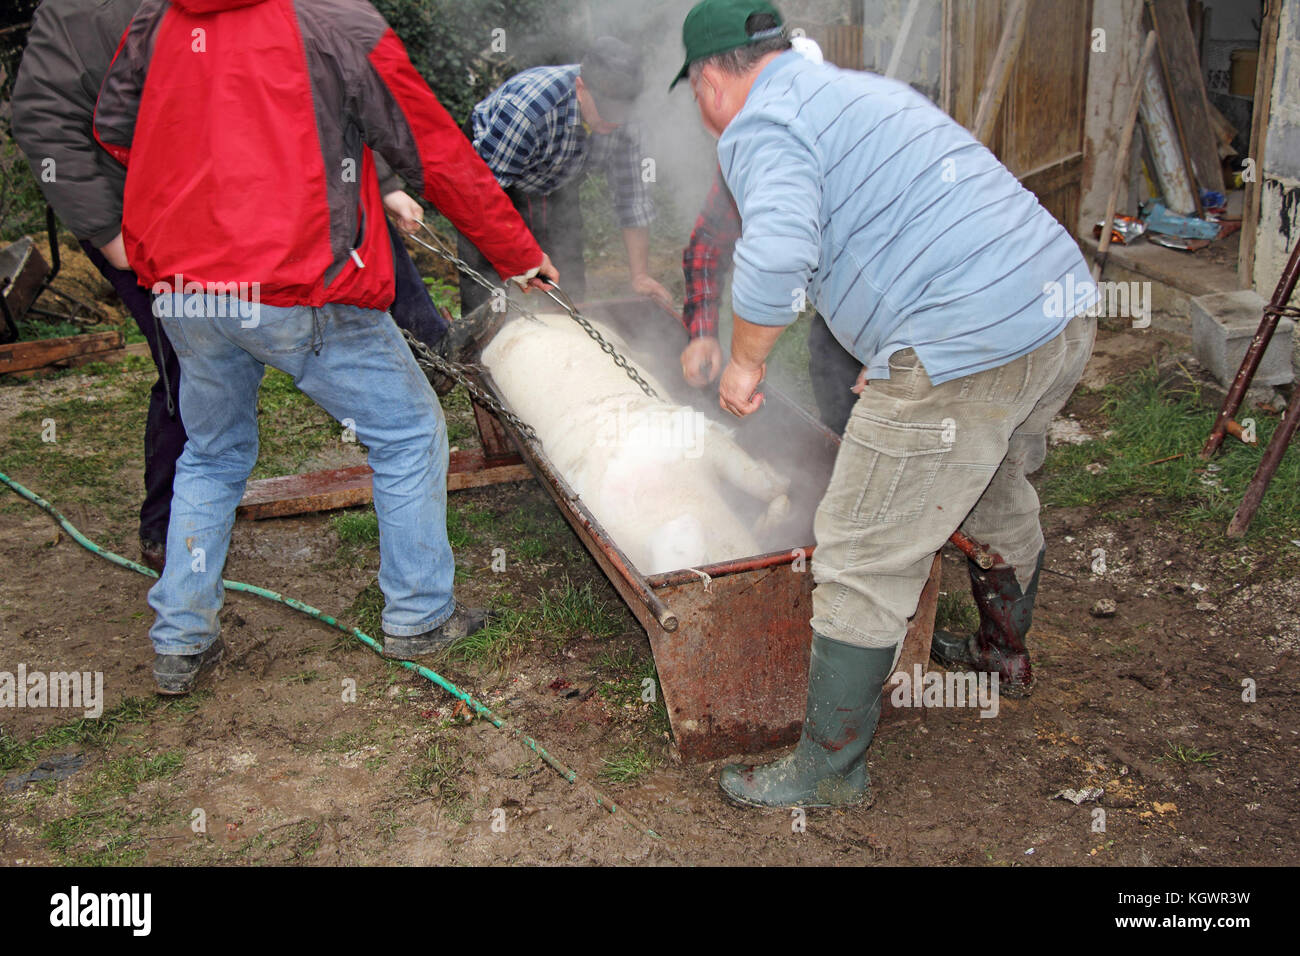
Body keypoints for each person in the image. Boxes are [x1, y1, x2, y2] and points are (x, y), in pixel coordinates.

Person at [673, 0, 1097, 808]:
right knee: (995, 480)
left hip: (969, 340)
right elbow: (913, 223)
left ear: (709, 79)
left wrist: (743, 365)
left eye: (694, 93)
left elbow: (776, 255)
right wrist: (901, 349)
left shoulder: (759, 126)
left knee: (861, 547)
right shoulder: (861, 93)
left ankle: (829, 771)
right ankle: (1001, 653)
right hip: (1056, 308)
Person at [93, 0, 557, 695]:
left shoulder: (159, 18)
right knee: (406, 431)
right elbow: (432, 149)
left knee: (211, 454)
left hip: (186, 285)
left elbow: (115, 130)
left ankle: (180, 639)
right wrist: (516, 251)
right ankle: (420, 615)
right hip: (298, 279)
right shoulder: (333, 17)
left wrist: (205, 176)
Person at [10, 0, 468, 576]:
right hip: (146, 223)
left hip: (244, 196)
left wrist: (381, 180)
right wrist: (110, 233)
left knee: (347, 247)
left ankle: (431, 348)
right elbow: (44, 120)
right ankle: (166, 530)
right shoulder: (79, 10)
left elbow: (300, 94)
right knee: (189, 374)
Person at [456, 36, 671, 317]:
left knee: (566, 276)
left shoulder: (628, 122)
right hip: (491, 173)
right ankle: (481, 345)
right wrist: (523, 253)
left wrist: (640, 275)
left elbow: (633, 199)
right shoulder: (529, 108)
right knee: (486, 277)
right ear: (581, 88)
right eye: (607, 111)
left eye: (622, 113)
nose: (615, 121)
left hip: (558, 176)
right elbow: (483, 197)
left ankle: (565, 333)